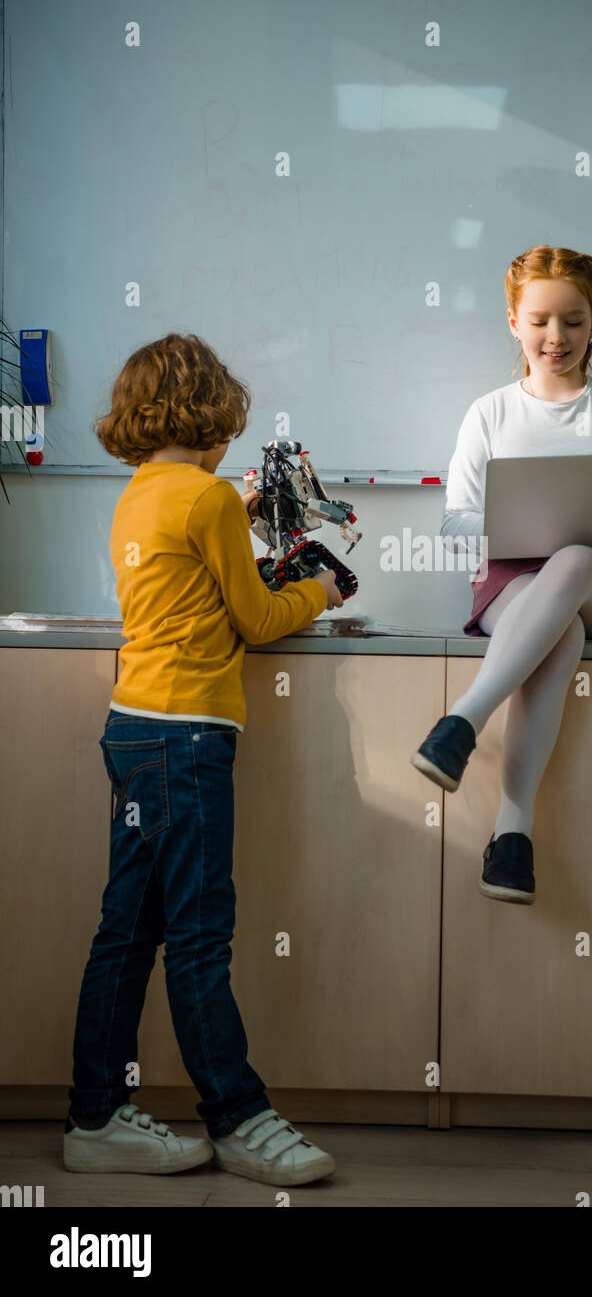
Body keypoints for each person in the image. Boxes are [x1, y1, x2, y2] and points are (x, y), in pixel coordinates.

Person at [63, 332, 344, 1185]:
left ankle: (96, 1116)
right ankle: (238, 1116)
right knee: (197, 935)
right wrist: (319, 590)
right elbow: (257, 620)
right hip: (188, 735)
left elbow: (202, 604)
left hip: (133, 729)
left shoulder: (138, 495)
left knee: (129, 930)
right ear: (211, 411)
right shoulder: (208, 496)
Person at [411, 246, 592, 905]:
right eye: (542, 320)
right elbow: (454, 523)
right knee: (560, 632)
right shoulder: (489, 412)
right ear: (513, 323)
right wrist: (522, 533)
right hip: (511, 587)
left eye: (573, 321)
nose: (557, 337)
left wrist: (565, 543)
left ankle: (461, 723)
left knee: (573, 563)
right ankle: (511, 835)